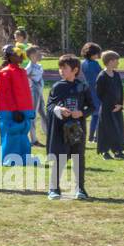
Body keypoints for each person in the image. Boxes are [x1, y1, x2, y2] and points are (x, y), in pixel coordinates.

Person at [45, 53, 93, 201]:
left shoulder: (82, 86)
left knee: (78, 158)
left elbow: (91, 106)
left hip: (77, 129)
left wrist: (82, 113)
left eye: (64, 68)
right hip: (60, 129)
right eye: (60, 68)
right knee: (60, 158)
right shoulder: (57, 87)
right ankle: (54, 188)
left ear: (75, 70)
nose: (61, 71)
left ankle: (80, 188)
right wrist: (60, 110)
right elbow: (50, 106)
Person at [0, 44, 34, 167]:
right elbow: (6, 94)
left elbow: (25, 92)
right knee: (12, 133)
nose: (21, 57)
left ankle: (23, 157)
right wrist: (14, 110)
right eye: (18, 54)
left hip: (24, 109)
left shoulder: (21, 71)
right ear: (10, 57)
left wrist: (30, 110)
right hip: (10, 110)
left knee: (23, 133)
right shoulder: (6, 72)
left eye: (22, 54)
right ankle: (9, 158)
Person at [94, 51, 124, 160]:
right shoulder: (102, 76)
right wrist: (110, 104)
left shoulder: (116, 74)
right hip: (107, 109)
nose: (118, 63)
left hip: (117, 108)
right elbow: (99, 93)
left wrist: (120, 104)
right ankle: (105, 151)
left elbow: (121, 90)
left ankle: (118, 151)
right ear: (110, 61)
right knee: (106, 129)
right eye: (116, 60)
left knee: (118, 129)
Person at [79, 42, 102, 141]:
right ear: (92, 54)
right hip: (96, 91)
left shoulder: (82, 63)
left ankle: (91, 136)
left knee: (94, 115)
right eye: (97, 54)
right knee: (99, 115)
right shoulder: (95, 64)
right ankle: (97, 137)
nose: (98, 56)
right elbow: (100, 76)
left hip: (86, 91)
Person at [25, 45, 46, 147]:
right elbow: (24, 76)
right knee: (33, 116)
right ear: (32, 55)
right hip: (34, 92)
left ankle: (49, 134)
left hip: (40, 91)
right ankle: (33, 139)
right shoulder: (30, 66)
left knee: (43, 113)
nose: (40, 54)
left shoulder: (38, 65)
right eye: (38, 53)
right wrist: (31, 82)